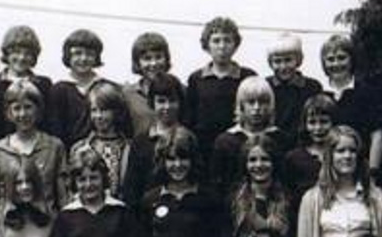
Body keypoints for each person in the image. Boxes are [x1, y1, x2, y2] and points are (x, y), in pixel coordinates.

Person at [0, 79, 68, 210]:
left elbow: (63, 196)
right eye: (17, 108)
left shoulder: (54, 146)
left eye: (28, 107)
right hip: (10, 225)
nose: (23, 114)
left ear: (38, 109)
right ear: (9, 113)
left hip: (46, 223)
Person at [184, 16, 257, 159]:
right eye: (216, 40)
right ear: (207, 45)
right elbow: (189, 118)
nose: (222, 46)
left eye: (227, 40)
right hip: (204, 149)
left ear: (235, 45)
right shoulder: (196, 79)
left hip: (239, 148)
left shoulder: (247, 77)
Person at [69, 82, 150, 206]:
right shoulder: (80, 148)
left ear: (116, 111)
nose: (98, 116)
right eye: (94, 110)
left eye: (104, 110)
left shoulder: (131, 148)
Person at [210, 76, 294, 195]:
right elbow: (218, 184)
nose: (257, 108)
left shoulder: (281, 139)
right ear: (241, 105)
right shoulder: (225, 141)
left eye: (263, 102)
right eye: (251, 102)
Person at [319, 34, 382, 182]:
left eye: (342, 57)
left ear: (352, 59)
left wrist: (372, 173)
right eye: (330, 59)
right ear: (324, 63)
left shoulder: (367, 93)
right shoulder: (320, 94)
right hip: (328, 171)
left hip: (360, 168)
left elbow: (377, 135)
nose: (336, 64)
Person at [0, 26, 53, 147]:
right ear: (7, 54)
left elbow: (47, 123)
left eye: (28, 54)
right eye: (16, 52)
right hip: (3, 152)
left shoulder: (43, 85)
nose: (22, 58)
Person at [47, 29, 117, 149]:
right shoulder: (58, 90)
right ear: (68, 56)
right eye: (77, 53)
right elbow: (54, 131)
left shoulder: (108, 87)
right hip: (68, 156)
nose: (83, 58)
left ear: (97, 56)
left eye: (89, 54)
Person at [128, 73, 188, 182]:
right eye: (161, 101)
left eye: (172, 100)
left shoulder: (189, 138)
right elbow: (132, 187)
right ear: (152, 103)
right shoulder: (140, 142)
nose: (167, 106)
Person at [265, 32, 323, 138]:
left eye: (288, 60)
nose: (283, 66)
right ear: (270, 63)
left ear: (298, 60)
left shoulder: (312, 87)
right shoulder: (265, 86)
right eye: (277, 61)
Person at [123, 32, 181, 137]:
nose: (153, 63)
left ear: (167, 58)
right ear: (138, 62)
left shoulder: (179, 90)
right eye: (147, 58)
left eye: (158, 57)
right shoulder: (128, 95)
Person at [280, 93, 338, 200]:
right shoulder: (293, 158)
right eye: (312, 122)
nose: (318, 128)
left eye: (324, 122)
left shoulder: (341, 154)